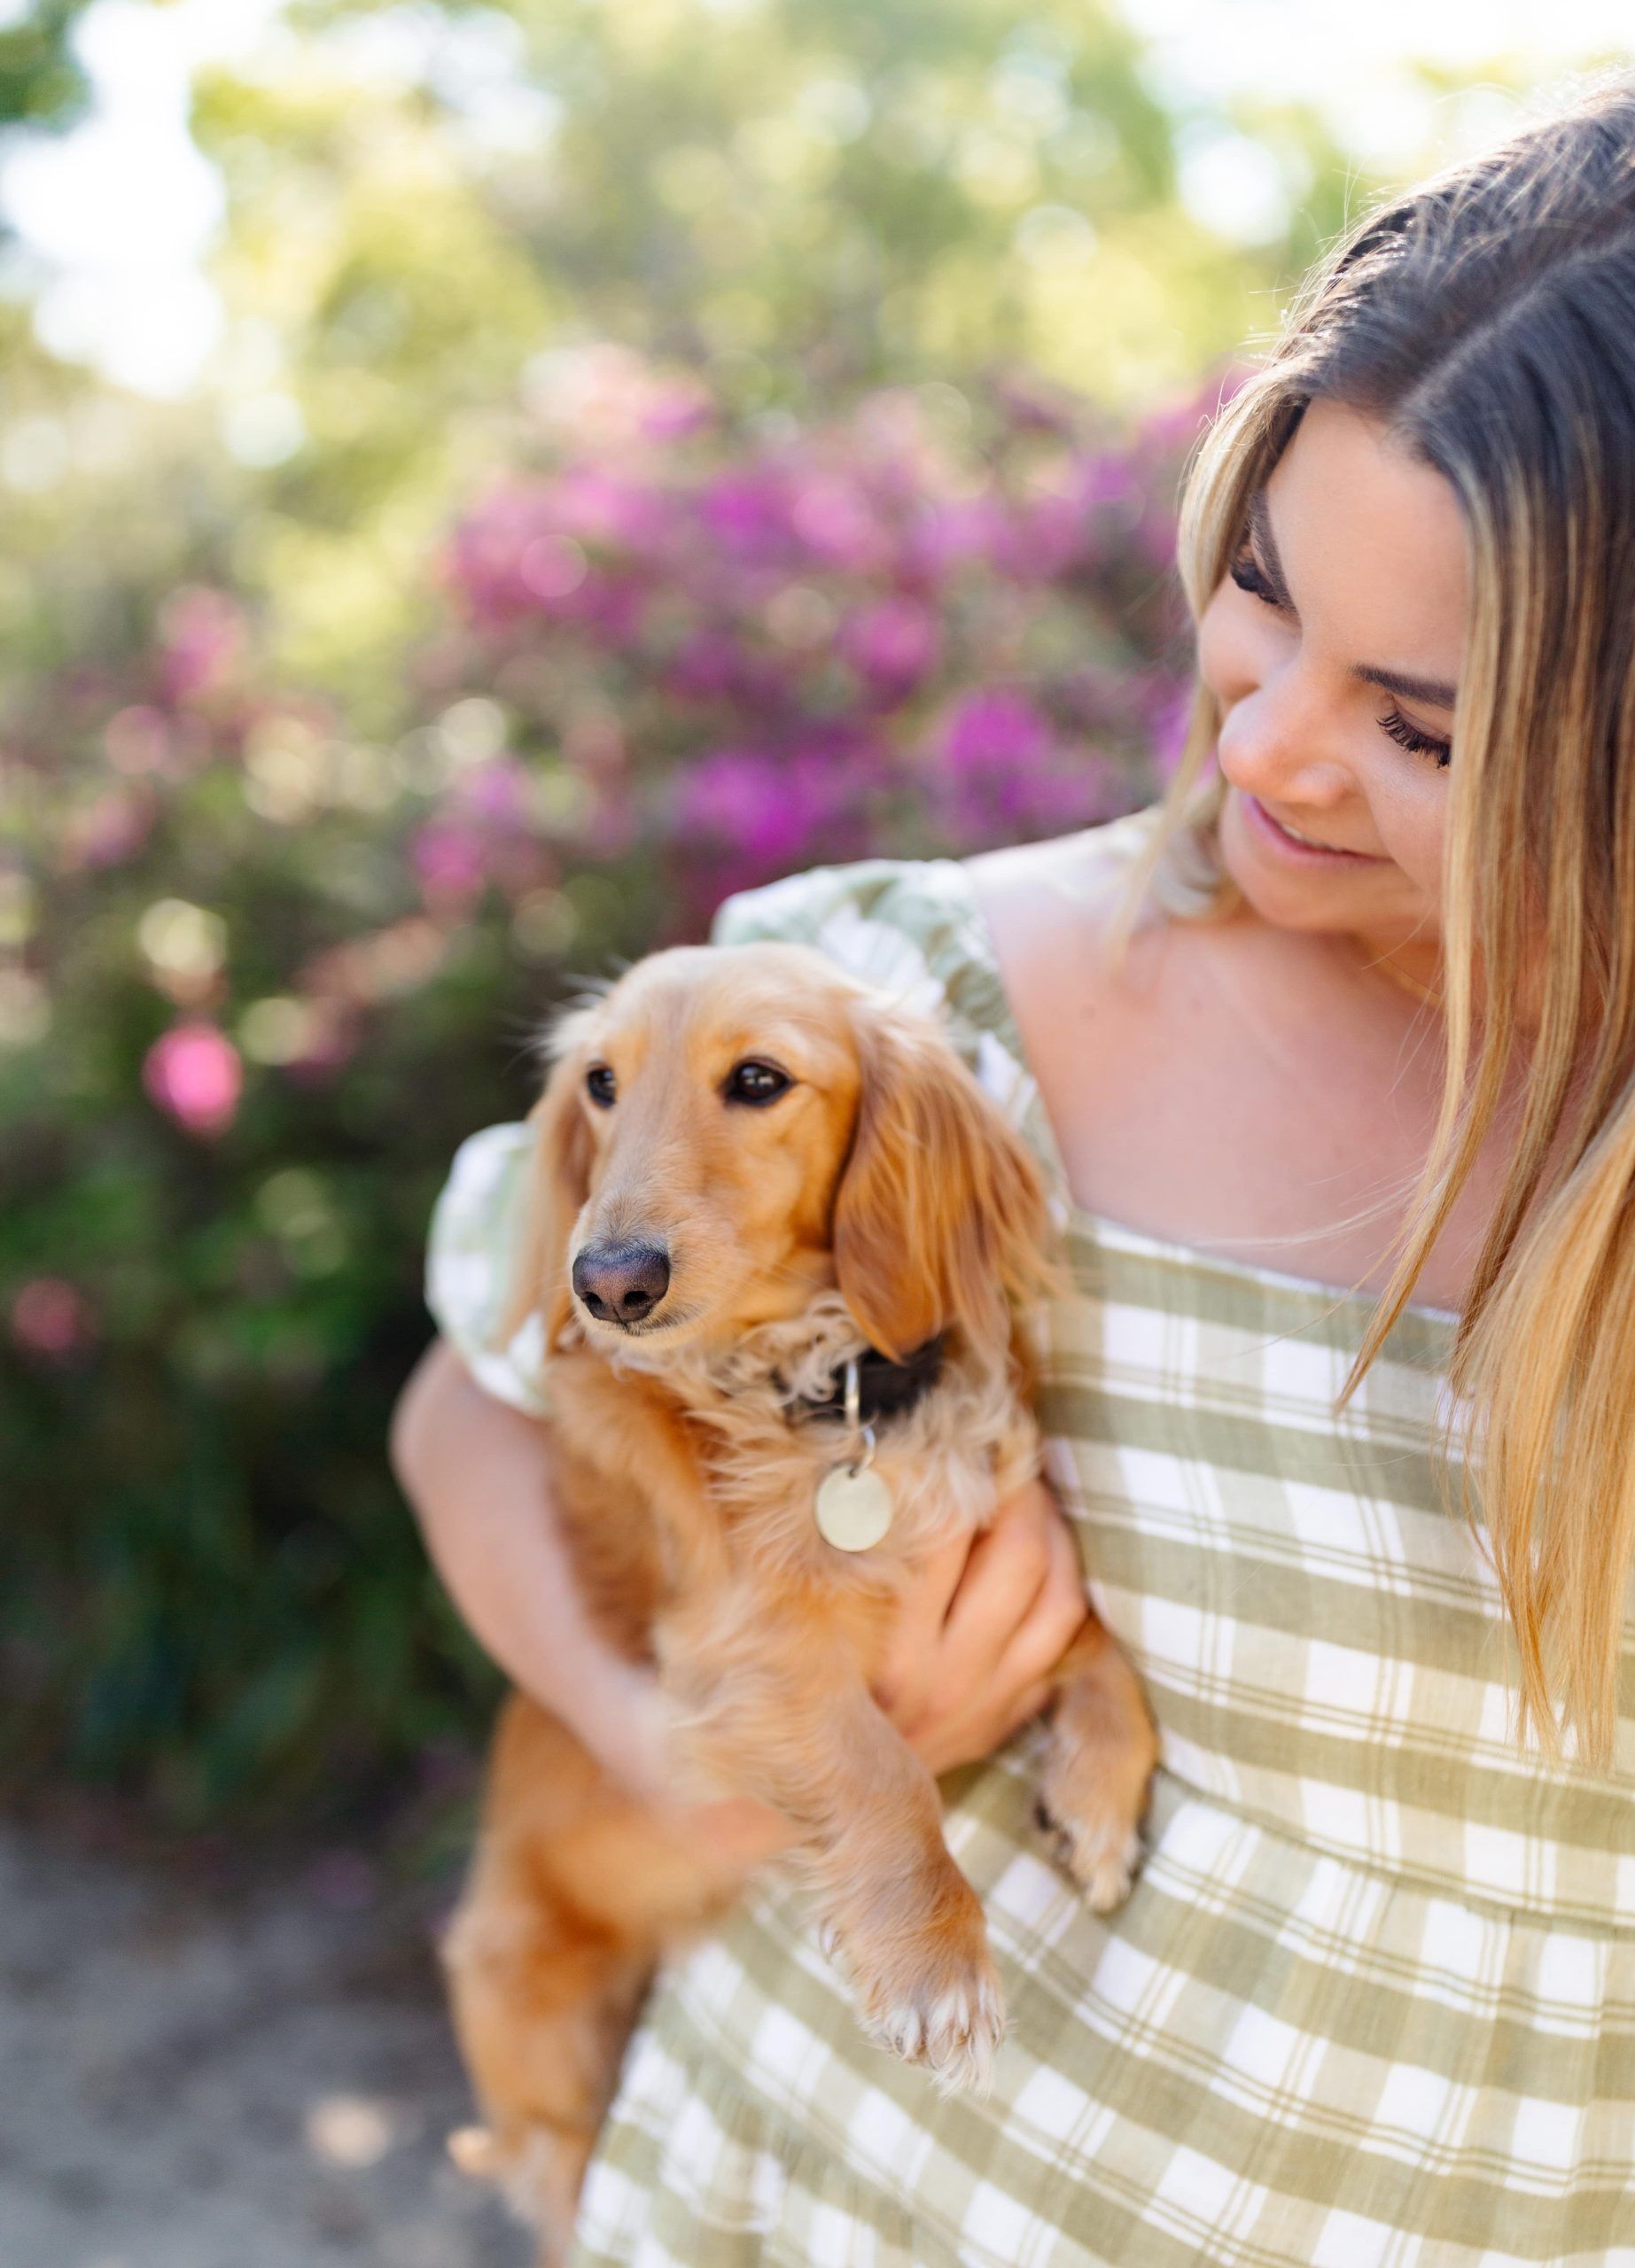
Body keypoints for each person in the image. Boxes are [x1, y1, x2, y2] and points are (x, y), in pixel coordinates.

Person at [391, 74, 1635, 2266]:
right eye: (1259, 592)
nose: (1255, 741)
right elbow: (473, 1396)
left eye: (1418, 722)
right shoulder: (913, 1002)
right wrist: (661, 1733)